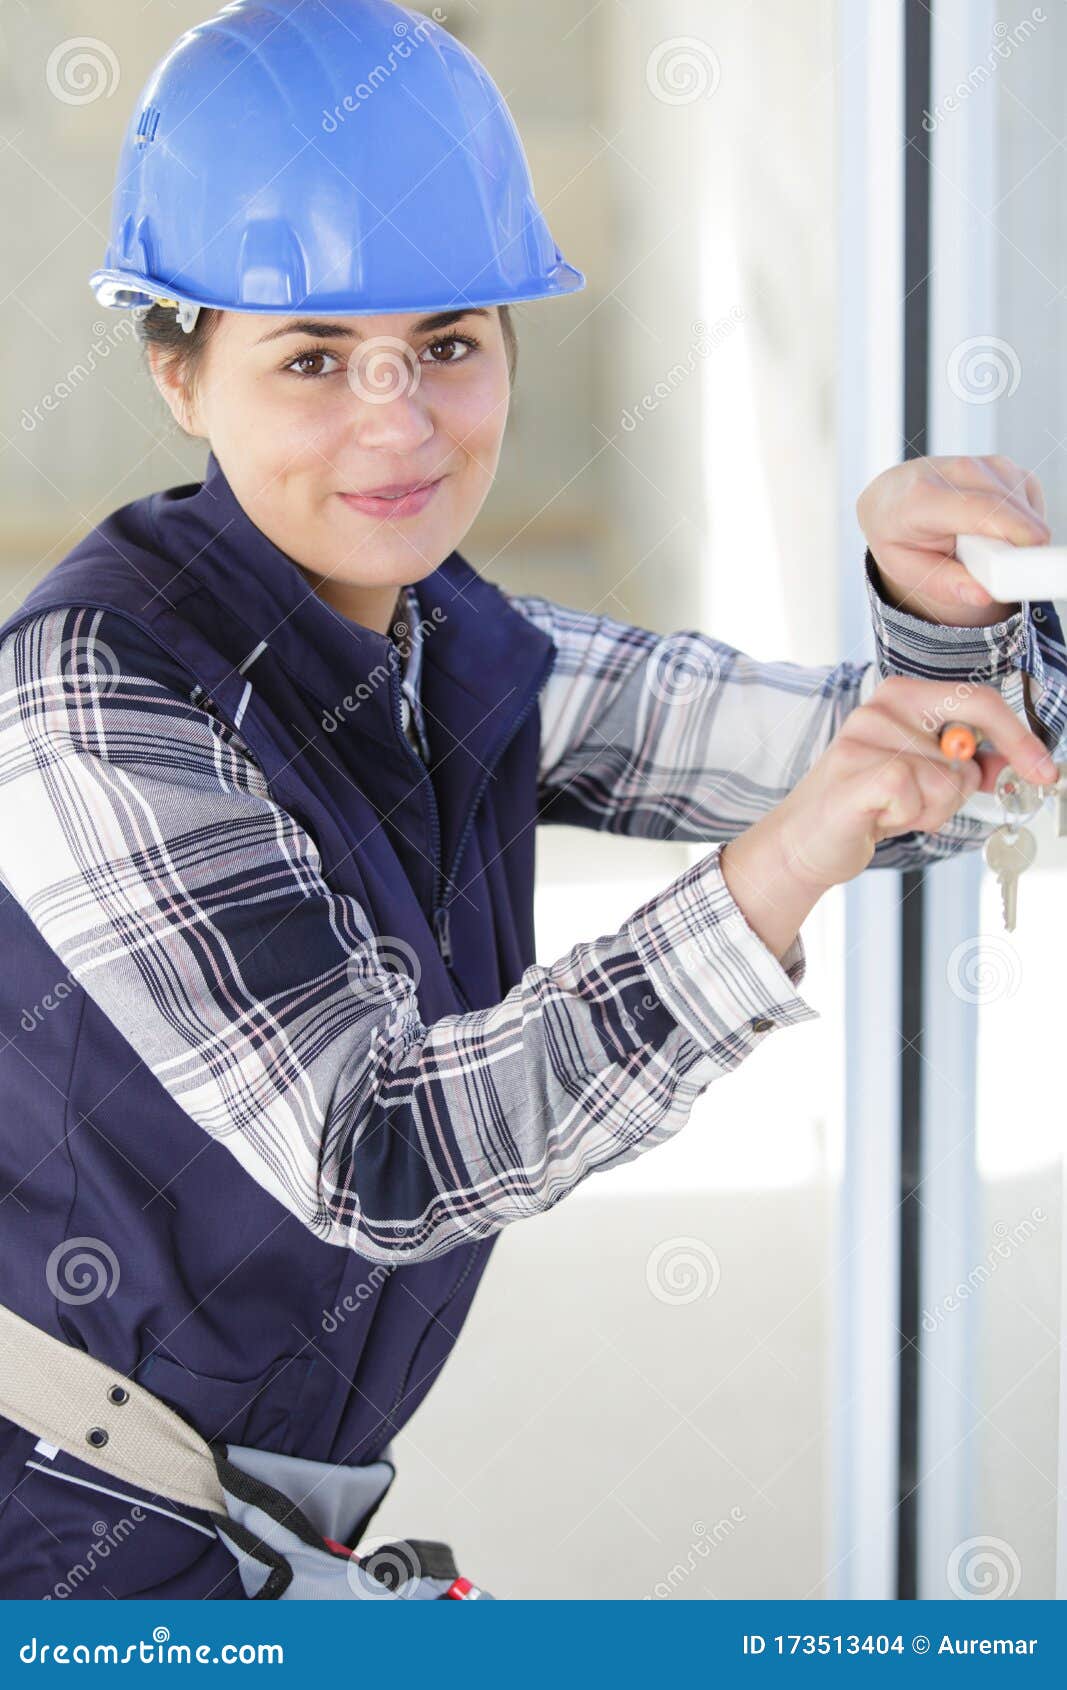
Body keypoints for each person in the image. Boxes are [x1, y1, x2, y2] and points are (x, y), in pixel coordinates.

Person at [0, 0, 1061, 1601]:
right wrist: (769, 879)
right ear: (178, 372)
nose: (399, 420)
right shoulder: (90, 697)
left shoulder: (449, 645)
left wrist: (946, 627)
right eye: (312, 359)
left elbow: (862, 760)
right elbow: (382, 1150)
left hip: (243, 1526)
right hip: (62, 1538)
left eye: (447, 344)